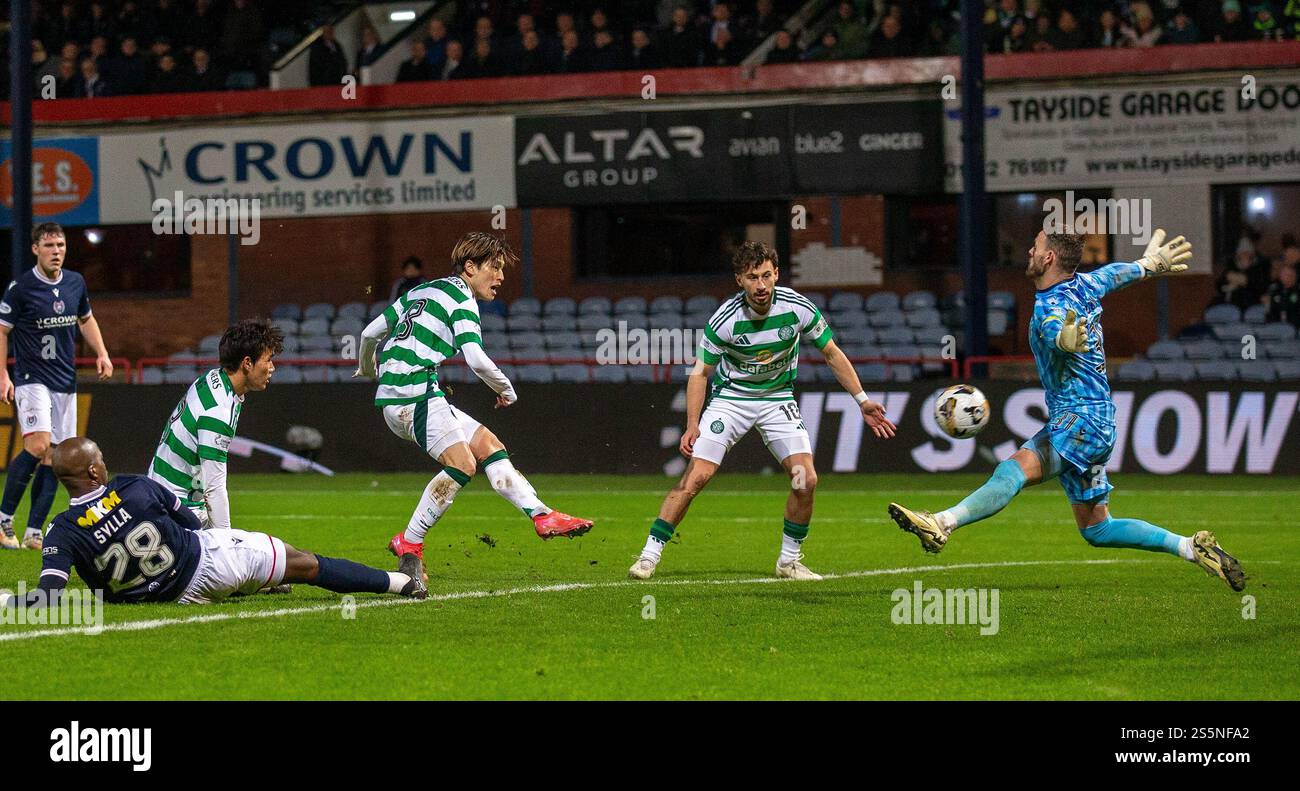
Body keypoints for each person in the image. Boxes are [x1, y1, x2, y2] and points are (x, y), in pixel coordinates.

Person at [888, 230, 1245, 592]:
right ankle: (1191, 547)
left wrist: (1062, 338)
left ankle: (942, 523)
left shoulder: (1049, 308)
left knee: (1012, 470)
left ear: (1048, 259)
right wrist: (1146, 265)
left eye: (1036, 247)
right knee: (1098, 529)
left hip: (1082, 420)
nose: (1029, 250)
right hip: (1093, 419)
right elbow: (1113, 275)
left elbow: (1054, 326)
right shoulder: (1086, 283)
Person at [628, 241, 897, 581]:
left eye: (767, 276)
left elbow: (831, 353)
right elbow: (699, 374)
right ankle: (649, 556)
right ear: (739, 279)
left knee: (806, 480)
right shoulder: (725, 320)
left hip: (777, 399)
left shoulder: (797, 308)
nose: (761, 285)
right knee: (697, 477)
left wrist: (862, 400)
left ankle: (789, 562)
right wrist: (692, 424)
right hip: (731, 400)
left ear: (777, 274)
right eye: (753, 277)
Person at [355, 233, 595, 581]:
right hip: (415, 395)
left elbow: (367, 335)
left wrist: (366, 368)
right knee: (463, 465)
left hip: (404, 395)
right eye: (494, 268)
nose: (500, 277)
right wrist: (506, 389)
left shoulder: (422, 291)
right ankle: (410, 541)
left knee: (488, 446)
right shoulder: (462, 299)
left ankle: (542, 516)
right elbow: (477, 360)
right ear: (470, 268)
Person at [0, 438, 426, 610]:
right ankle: (402, 583)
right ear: (94, 473)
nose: (104, 464)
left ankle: (259, 578)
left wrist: (5, 602)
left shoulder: (60, 530)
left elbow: (48, 597)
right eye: (100, 461)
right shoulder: (134, 486)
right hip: (211, 564)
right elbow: (195, 525)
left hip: (171, 602)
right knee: (306, 563)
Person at [0, 223, 114, 551]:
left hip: (65, 381)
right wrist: (3, 376)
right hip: (31, 379)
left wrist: (102, 353)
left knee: (56, 458)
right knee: (38, 447)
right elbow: (2, 331)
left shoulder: (75, 283)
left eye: (61, 245)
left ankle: (34, 531)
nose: (56, 251)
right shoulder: (20, 288)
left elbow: (86, 319)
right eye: (49, 245)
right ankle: (4, 517)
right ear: (35, 249)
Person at [148, 319, 279, 534]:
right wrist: (224, 544)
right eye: (268, 360)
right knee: (244, 557)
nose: (272, 367)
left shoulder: (211, 378)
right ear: (247, 363)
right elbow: (214, 488)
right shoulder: (218, 412)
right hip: (175, 510)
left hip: (162, 494)